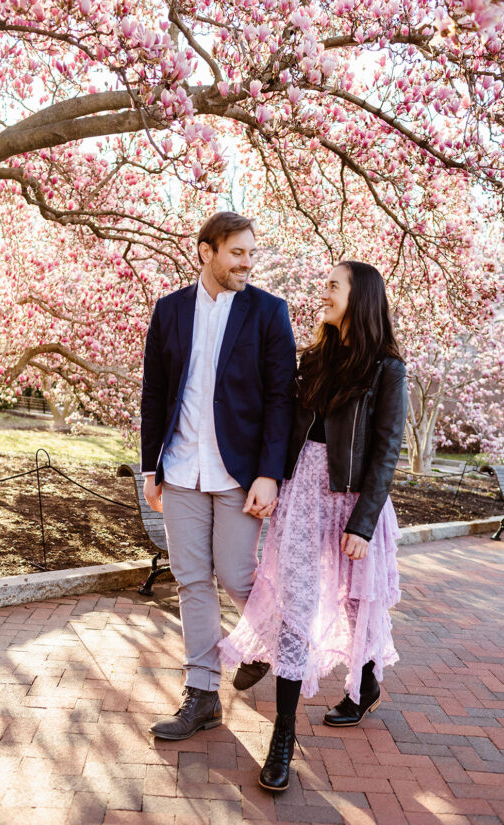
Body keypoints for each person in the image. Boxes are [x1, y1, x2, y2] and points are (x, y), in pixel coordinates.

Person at [219, 260, 408, 790]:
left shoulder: (387, 370)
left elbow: (387, 451)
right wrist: (272, 479)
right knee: (297, 607)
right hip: (303, 495)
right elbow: (288, 424)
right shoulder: (316, 359)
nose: (322, 292)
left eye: (333, 285)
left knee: (354, 604)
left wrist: (364, 524)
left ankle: (365, 685)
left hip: (352, 502)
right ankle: (282, 739)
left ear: (360, 297)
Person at [140, 211, 296, 741]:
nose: (247, 263)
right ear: (206, 251)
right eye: (237, 253)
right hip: (181, 467)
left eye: (251, 252)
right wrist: (150, 468)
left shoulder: (269, 313)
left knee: (234, 573)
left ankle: (269, 640)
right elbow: (155, 395)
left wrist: (270, 474)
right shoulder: (169, 311)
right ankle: (203, 694)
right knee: (190, 580)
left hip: (239, 473)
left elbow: (282, 401)